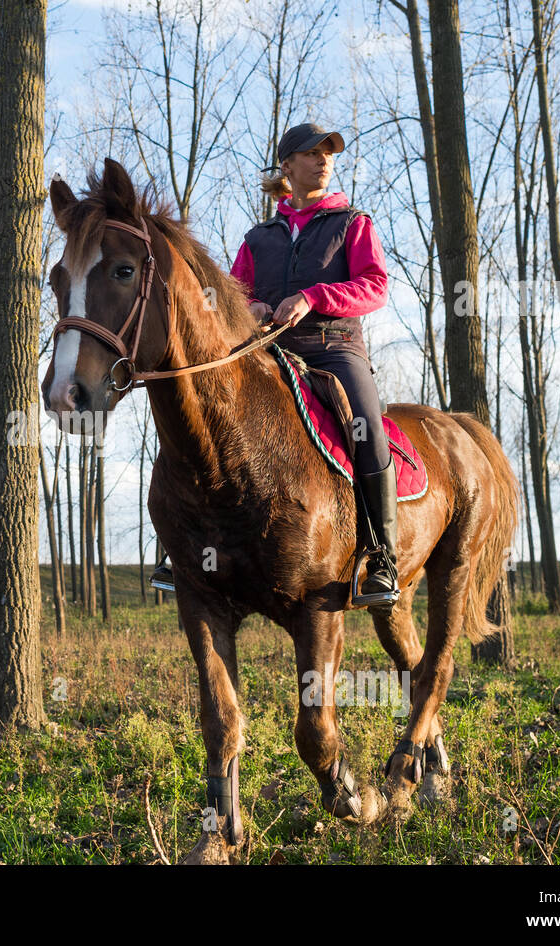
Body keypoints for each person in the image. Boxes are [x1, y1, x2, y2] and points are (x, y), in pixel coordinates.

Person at [150, 122, 399, 607]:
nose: (324, 159)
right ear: (287, 166)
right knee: (198, 417)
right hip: (267, 352)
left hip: (333, 346)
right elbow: (228, 300)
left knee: (367, 426)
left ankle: (381, 558)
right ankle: (180, 550)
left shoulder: (352, 223)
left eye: (329, 152)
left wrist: (313, 296)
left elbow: (375, 286)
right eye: (312, 152)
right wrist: (253, 308)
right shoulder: (258, 238)